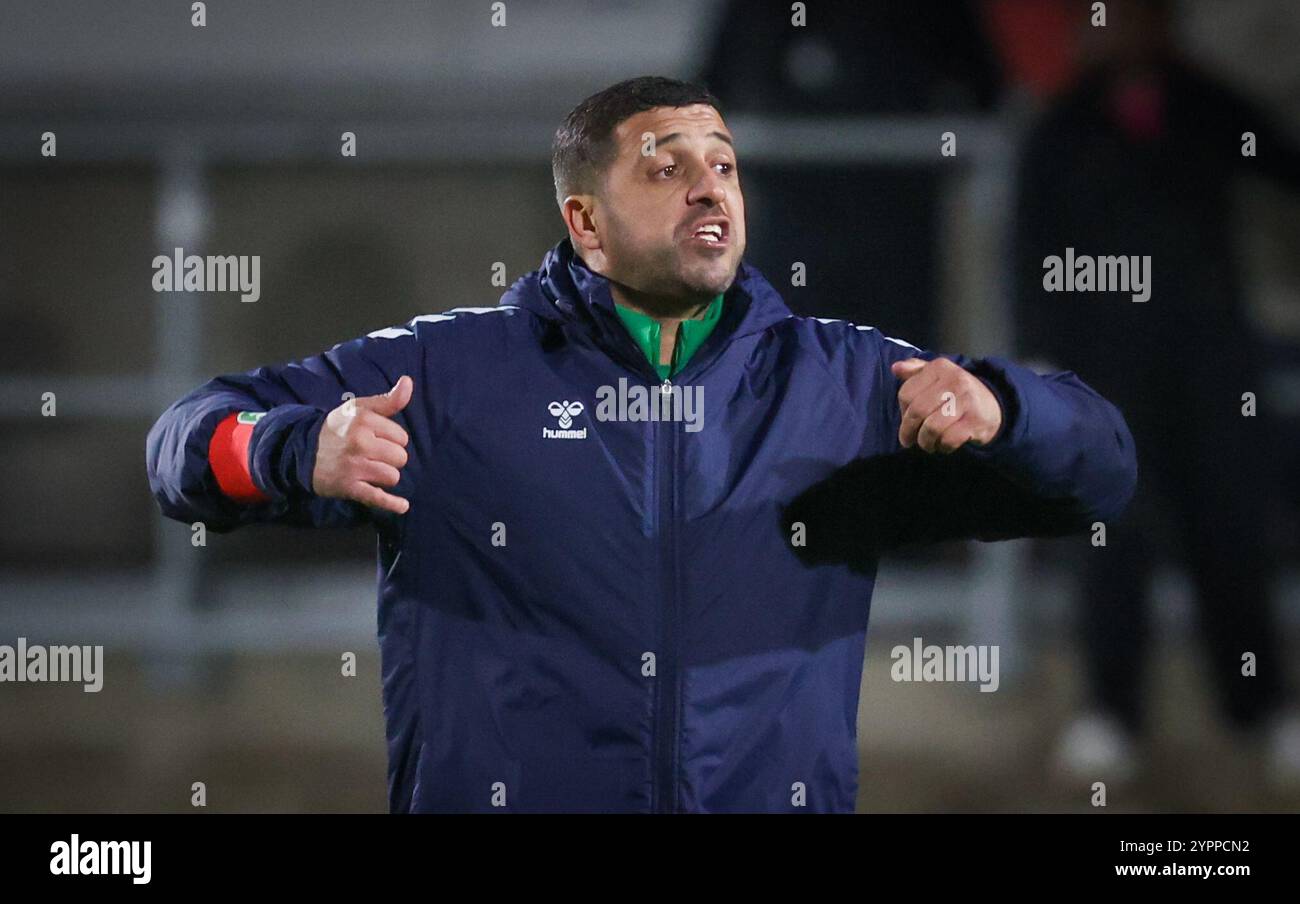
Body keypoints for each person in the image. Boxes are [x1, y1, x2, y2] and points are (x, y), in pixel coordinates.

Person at [147, 76, 1136, 813]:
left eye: (722, 164)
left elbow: (1103, 471)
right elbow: (181, 444)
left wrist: (1005, 408)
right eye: (666, 168)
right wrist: (286, 448)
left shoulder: (842, 385)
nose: (708, 188)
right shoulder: (449, 377)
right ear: (586, 223)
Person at [1012, 0, 1300, 784]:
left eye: (1142, 16)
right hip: (1103, 374)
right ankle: (1111, 713)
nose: (1123, 32)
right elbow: (1030, 248)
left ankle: (1263, 712)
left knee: (1230, 538)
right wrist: (1039, 362)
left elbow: (1281, 164)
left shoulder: (1209, 106)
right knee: (1109, 545)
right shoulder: (1062, 125)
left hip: (1210, 364)